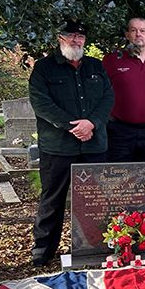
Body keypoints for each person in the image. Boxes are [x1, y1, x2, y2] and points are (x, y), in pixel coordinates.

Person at [28, 19, 114, 267]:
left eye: (80, 37)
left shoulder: (96, 67)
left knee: (96, 200)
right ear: (59, 38)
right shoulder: (44, 68)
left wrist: (92, 123)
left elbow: (108, 98)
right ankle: (43, 249)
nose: (76, 40)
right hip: (58, 147)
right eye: (70, 36)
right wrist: (73, 126)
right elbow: (41, 104)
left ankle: (96, 244)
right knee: (52, 199)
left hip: (94, 145)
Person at [101, 17, 145, 175]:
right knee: (117, 176)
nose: (138, 34)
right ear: (127, 35)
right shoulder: (112, 60)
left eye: (142, 31)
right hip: (120, 130)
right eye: (133, 30)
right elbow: (101, 90)